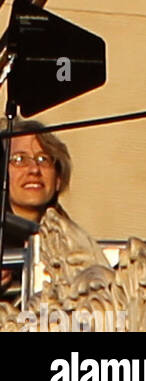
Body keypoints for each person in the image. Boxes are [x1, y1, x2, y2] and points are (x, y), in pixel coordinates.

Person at [2, 121, 71, 301]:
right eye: (19, 159)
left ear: (58, 179)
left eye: (43, 159)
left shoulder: (73, 244)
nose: (34, 170)